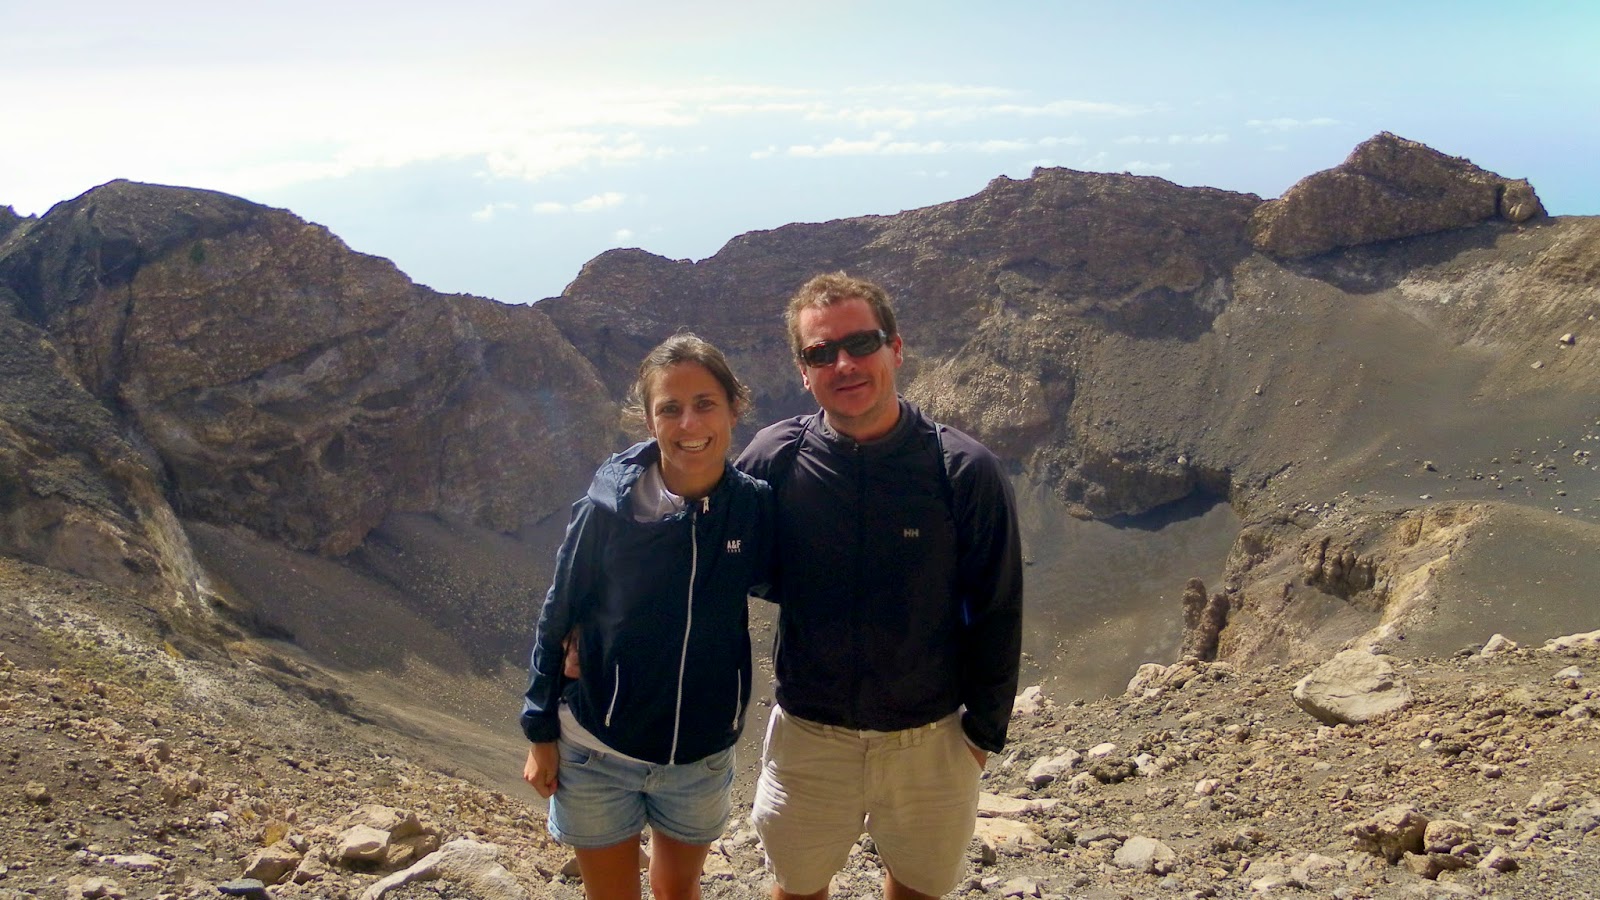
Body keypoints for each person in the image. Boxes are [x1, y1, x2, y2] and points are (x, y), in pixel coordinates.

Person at [736, 272, 1024, 900]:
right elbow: (707, 556)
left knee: (918, 888)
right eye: (821, 352)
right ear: (803, 371)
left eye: (861, 343)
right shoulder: (776, 459)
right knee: (798, 886)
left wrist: (980, 737)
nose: (844, 363)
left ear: (895, 348)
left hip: (931, 739)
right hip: (809, 737)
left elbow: (999, 606)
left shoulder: (961, 469)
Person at [521, 334, 772, 900]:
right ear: (648, 418)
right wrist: (538, 732)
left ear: (735, 407)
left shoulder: (753, 507)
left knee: (679, 892)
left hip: (700, 756)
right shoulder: (607, 510)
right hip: (595, 750)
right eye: (670, 408)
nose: (689, 423)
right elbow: (557, 613)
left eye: (706, 403)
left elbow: (801, 584)